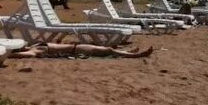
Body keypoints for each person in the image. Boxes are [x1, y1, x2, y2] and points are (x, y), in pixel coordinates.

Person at [13, 42, 154, 59]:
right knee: (109, 50)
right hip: (77, 50)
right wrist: (8, 54)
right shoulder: (36, 51)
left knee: (109, 49)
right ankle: (135, 55)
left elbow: (24, 48)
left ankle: (129, 52)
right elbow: (24, 54)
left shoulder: (34, 45)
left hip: (77, 46)